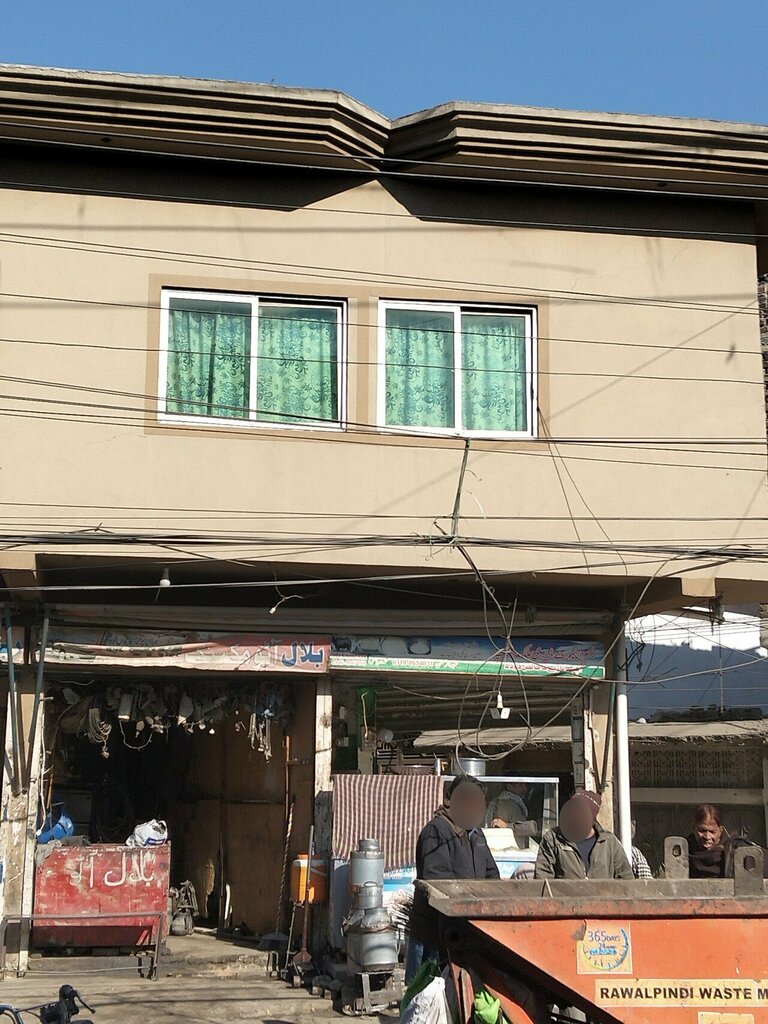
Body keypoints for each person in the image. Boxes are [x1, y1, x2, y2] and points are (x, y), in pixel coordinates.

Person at [406, 775, 500, 980]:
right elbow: (436, 879)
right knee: (427, 993)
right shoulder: (437, 831)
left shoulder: (477, 833)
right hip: (435, 931)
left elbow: (492, 873)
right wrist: (466, 903)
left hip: (468, 928)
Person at [534, 790, 633, 880]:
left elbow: (626, 879)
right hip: (565, 899)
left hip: (603, 899)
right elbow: (543, 881)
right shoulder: (553, 839)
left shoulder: (609, 842)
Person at [687, 804, 732, 878]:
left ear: (720, 830)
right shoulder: (684, 851)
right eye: (702, 831)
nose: (707, 837)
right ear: (694, 829)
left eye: (712, 832)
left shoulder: (732, 851)